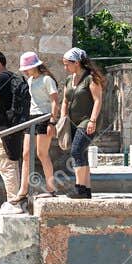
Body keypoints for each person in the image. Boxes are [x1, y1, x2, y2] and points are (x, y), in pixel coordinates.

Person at [57, 48, 105, 199]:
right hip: (72, 122)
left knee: (76, 151)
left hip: (86, 121)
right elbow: (65, 101)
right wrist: (63, 117)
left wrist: (92, 120)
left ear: (76, 63)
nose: (65, 67)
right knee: (82, 152)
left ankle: (80, 188)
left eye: (67, 64)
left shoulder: (91, 79)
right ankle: (87, 189)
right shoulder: (69, 80)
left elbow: (98, 100)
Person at [0, 51, 27, 213]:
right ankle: (16, 200)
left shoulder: (0, 78)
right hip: (13, 125)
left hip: (4, 127)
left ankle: (14, 202)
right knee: (11, 163)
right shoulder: (12, 76)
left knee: (6, 164)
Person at [18, 52, 61, 201]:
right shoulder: (30, 80)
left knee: (42, 153)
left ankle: (51, 188)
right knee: (26, 154)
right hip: (32, 117)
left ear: (34, 66)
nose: (25, 71)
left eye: (27, 68)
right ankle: (23, 189)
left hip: (44, 117)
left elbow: (55, 101)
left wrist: (52, 122)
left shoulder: (47, 79)